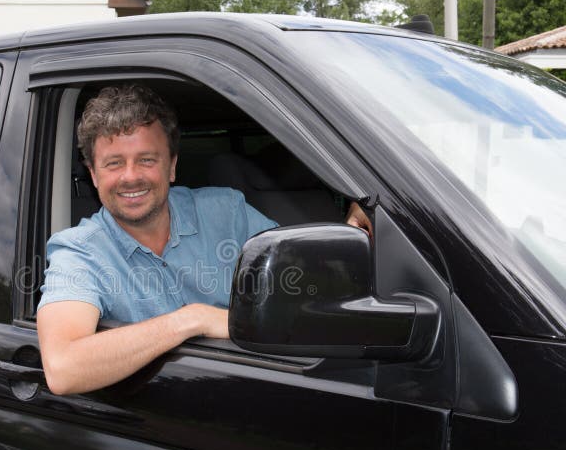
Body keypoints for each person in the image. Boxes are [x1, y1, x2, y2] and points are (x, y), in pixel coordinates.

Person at [37, 84, 372, 395]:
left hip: (270, 395)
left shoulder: (226, 211)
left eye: (146, 160)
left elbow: (308, 275)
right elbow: (63, 368)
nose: (130, 176)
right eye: (113, 164)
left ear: (171, 166)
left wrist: (354, 232)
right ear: (93, 174)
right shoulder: (79, 250)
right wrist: (191, 319)